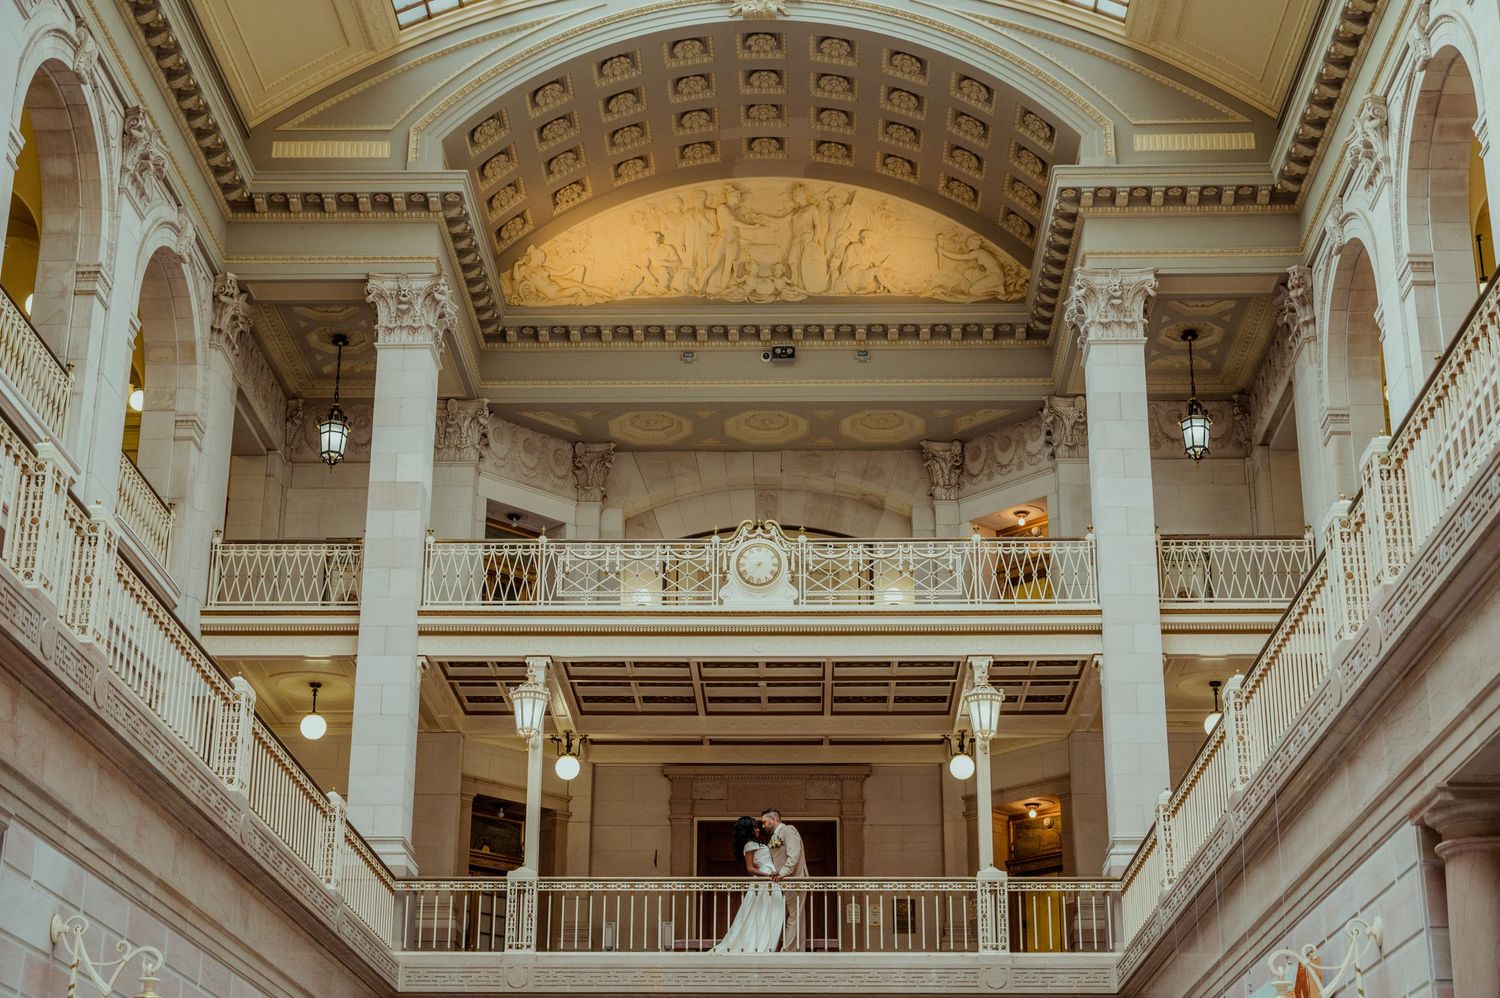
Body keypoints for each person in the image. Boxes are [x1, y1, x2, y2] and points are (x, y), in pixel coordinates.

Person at [712, 816, 784, 953]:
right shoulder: (749, 845)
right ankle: (757, 945)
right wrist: (768, 876)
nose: (758, 830)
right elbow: (750, 868)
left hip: (770, 879)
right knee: (760, 912)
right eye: (755, 828)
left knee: (772, 911)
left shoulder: (757, 844)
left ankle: (767, 944)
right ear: (749, 830)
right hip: (763, 881)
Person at [762, 808, 807, 952]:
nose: (763, 826)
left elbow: (794, 855)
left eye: (764, 822)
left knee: (794, 916)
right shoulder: (773, 837)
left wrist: (782, 874)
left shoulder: (788, 830)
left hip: (794, 880)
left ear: (773, 819)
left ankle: (789, 950)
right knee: (786, 916)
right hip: (781, 883)